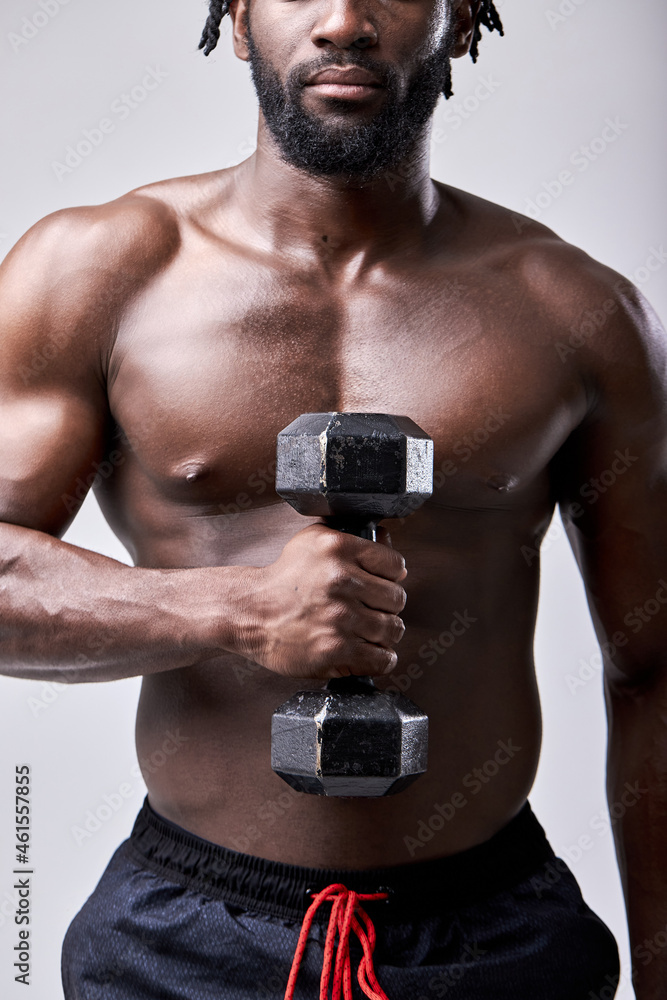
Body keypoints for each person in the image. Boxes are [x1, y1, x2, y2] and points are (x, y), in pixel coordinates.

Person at [0, 0, 665, 996]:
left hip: (497, 944)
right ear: (232, 19)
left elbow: (654, 668)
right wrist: (235, 608)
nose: (344, 19)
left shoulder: (577, 311)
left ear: (466, 21)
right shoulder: (94, 273)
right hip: (179, 944)